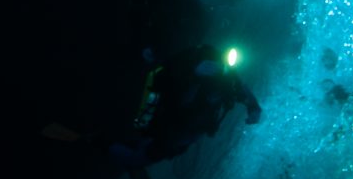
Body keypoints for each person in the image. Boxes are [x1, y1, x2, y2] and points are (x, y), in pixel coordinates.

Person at [109, 43, 261, 171]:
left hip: (189, 128)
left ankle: (124, 151)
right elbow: (170, 81)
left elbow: (243, 92)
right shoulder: (186, 73)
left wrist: (254, 109)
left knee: (157, 149)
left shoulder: (227, 80)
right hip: (174, 122)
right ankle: (109, 146)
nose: (212, 67)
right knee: (148, 146)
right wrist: (193, 74)